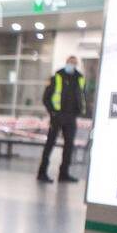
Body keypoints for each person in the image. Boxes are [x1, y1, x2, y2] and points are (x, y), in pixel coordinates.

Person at [37, 55, 85, 183]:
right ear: (66, 63)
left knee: (69, 146)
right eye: (70, 62)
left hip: (71, 117)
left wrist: (79, 111)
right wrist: (52, 113)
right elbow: (46, 98)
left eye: (74, 63)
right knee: (50, 144)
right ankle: (42, 173)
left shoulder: (79, 78)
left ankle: (64, 174)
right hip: (57, 116)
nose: (72, 65)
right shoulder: (57, 77)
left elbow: (81, 96)